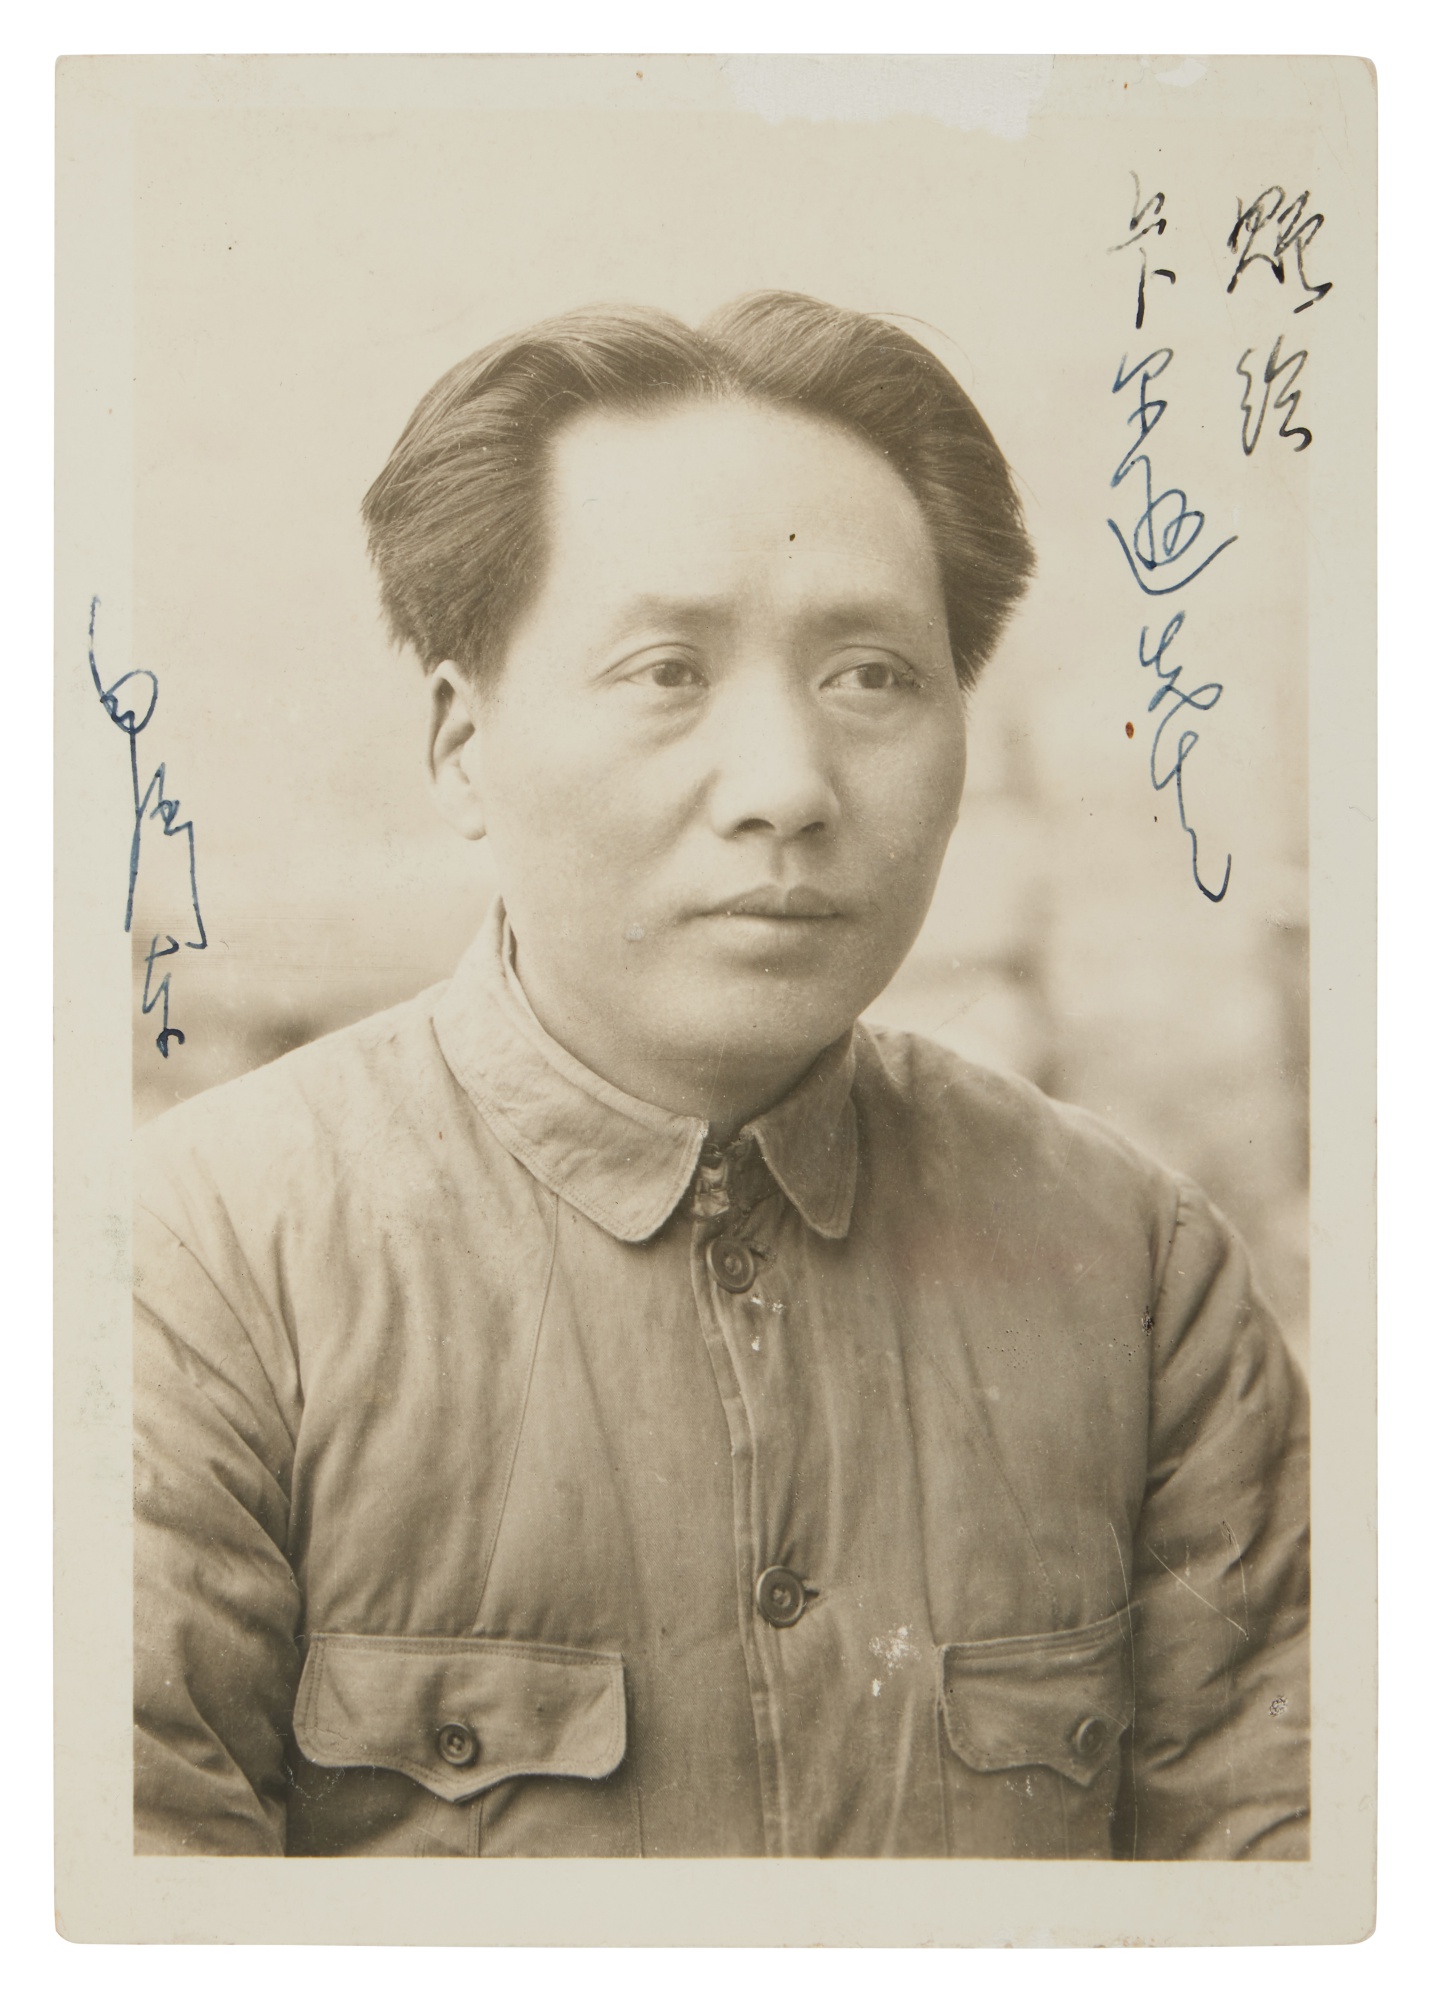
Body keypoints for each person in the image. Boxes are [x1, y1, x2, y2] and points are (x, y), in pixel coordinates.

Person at [133, 291, 1309, 1861]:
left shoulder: (1140, 1275)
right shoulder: (198, 1268)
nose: (787, 788)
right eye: (666, 671)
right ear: (463, 748)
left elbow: (1285, 1898)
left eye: (873, 676)